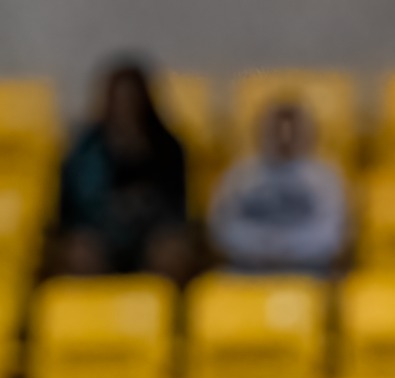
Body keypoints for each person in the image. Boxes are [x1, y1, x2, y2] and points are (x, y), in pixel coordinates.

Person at [55, 61, 190, 279]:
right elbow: (72, 205)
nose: (126, 106)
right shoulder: (86, 147)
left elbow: (177, 203)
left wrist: (144, 204)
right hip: (99, 230)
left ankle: (161, 308)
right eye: (120, 99)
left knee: (171, 255)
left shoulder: (167, 145)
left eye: (132, 99)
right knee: (82, 255)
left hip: (151, 230)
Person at [206, 100, 346, 275]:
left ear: (309, 133)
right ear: (260, 132)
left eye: (293, 131)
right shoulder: (238, 177)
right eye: (275, 131)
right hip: (246, 272)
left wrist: (285, 250)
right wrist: (264, 247)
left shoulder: (326, 179)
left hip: (308, 274)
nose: (284, 138)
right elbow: (222, 228)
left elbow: (331, 235)